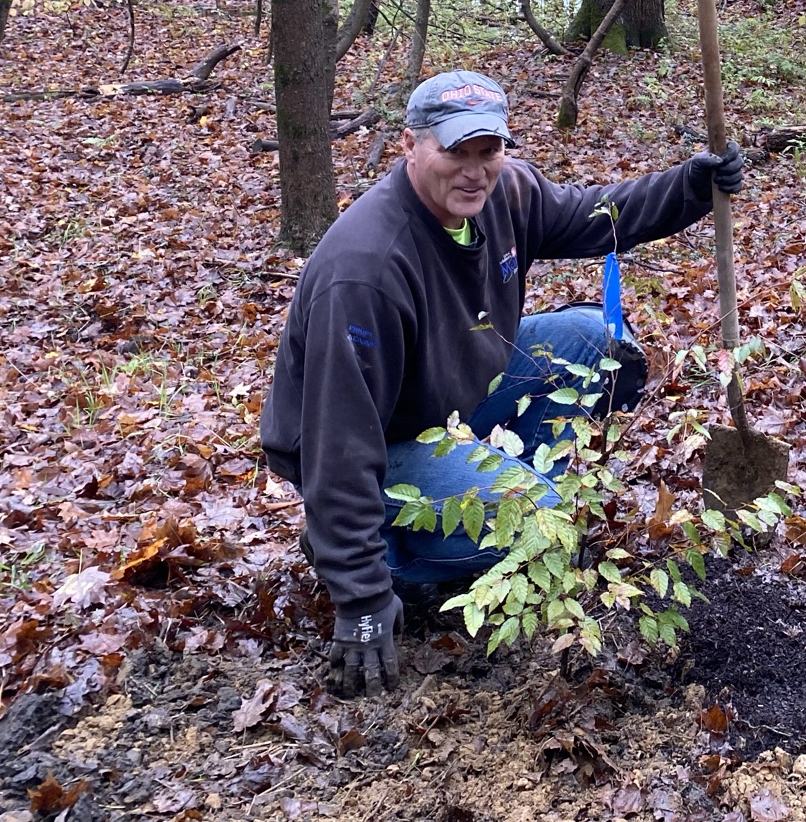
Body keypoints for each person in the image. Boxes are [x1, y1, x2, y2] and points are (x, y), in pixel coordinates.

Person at [259, 70, 744, 696]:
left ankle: (494, 492)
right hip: (370, 447)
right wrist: (359, 598)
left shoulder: (505, 195)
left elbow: (597, 214)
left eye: (488, 150)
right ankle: (391, 551)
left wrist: (691, 186)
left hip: (445, 396)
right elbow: (340, 443)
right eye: (454, 151)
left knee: (596, 345)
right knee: (542, 524)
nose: (474, 170)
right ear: (411, 146)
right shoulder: (367, 271)